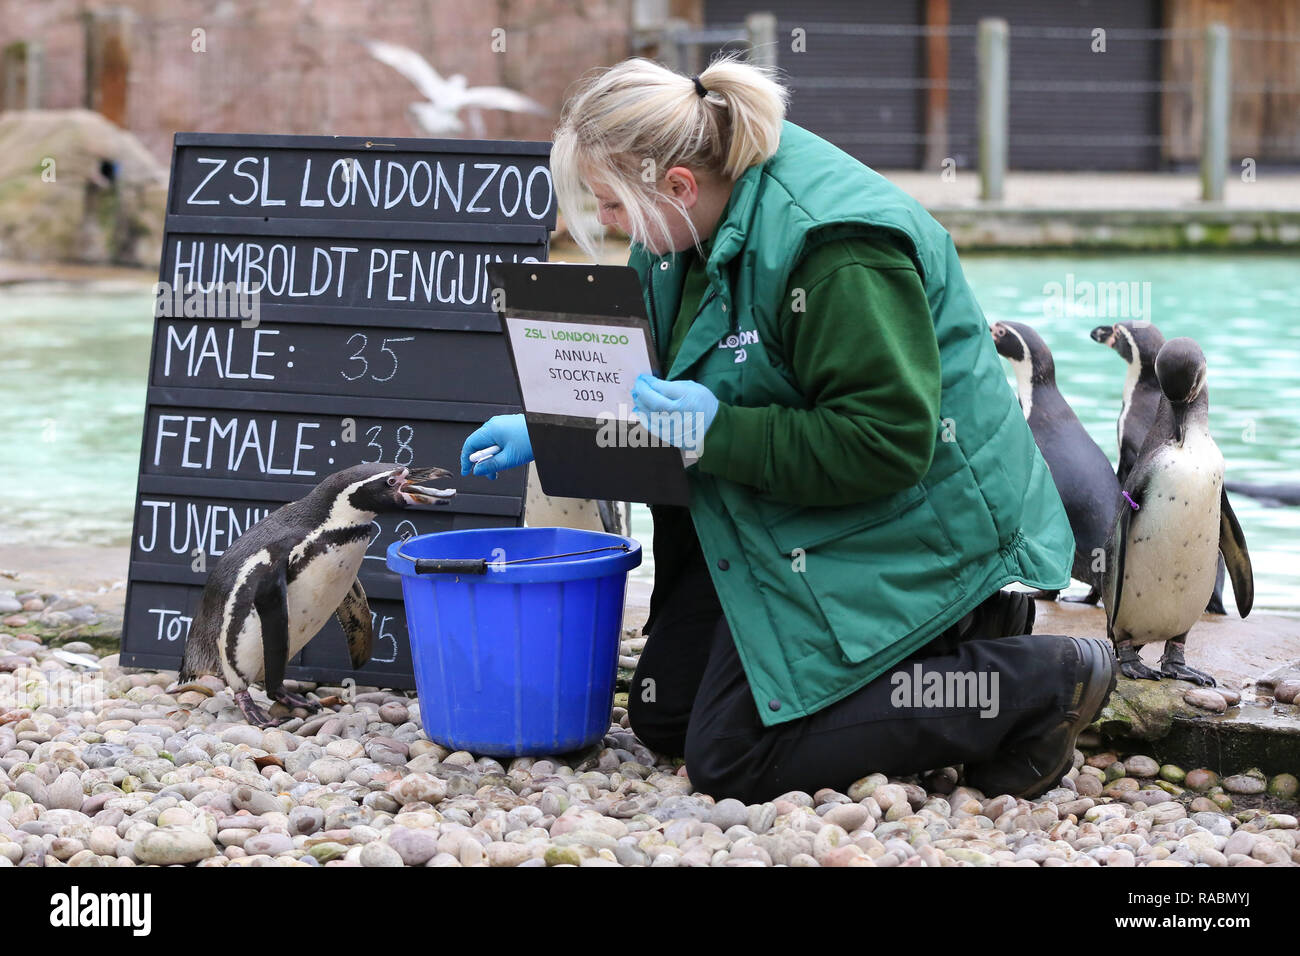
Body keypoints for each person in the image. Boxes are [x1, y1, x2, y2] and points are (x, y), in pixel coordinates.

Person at [460, 53, 1117, 804]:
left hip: (916, 518)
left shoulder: (835, 250)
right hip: (789, 507)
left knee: (734, 758)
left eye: (608, 205)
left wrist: (721, 434)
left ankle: (1037, 683)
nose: (604, 225)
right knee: (664, 715)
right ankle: (959, 634)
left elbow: (889, 443)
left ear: (677, 185)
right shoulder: (676, 229)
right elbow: (653, 398)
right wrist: (559, 426)